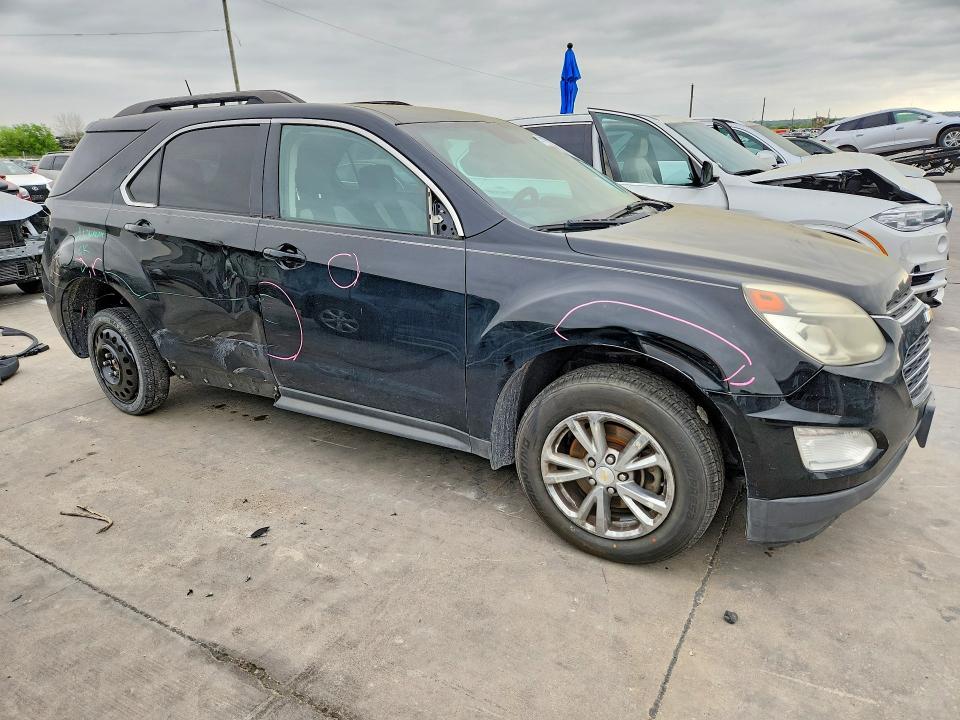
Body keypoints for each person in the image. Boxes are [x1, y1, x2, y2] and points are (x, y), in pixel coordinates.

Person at [560, 42, 580, 114]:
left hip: (568, 82)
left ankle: (567, 112)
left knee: (568, 99)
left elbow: (568, 66)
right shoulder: (570, 54)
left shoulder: (568, 54)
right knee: (569, 99)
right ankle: (568, 112)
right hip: (569, 82)